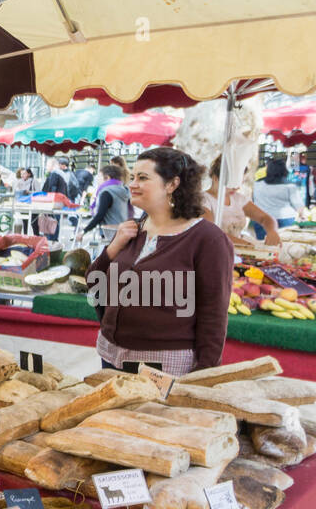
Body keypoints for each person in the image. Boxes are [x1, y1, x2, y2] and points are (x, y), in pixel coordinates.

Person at [90, 146, 233, 375]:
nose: (132, 184)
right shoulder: (133, 229)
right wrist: (114, 247)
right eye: (133, 177)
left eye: (143, 178)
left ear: (172, 184)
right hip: (111, 355)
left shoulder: (208, 239)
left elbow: (214, 313)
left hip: (162, 364)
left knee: (152, 413)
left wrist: (205, 372)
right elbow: (94, 283)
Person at [202, 158, 281, 247]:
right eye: (233, 184)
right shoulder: (203, 200)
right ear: (215, 178)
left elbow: (265, 218)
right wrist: (246, 245)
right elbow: (211, 232)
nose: (237, 188)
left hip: (240, 248)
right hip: (218, 249)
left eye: (240, 183)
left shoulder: (238, 199)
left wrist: (272, 231)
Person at [77, 163, 132, 245]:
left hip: (110, 234)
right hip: (123, 232)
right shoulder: (124, 190)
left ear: (107, 178)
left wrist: (83, 231)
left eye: (99, 177)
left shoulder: (107, 192)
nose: (97, 180)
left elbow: (100, 215)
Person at [251, 158, 302, 241]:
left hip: (261, 219)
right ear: (284, 170)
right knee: (284, 246)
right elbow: (299, 208)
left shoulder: (257, 184)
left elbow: (252, 200)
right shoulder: (290, 186)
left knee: (263, 246)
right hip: (285, 219)